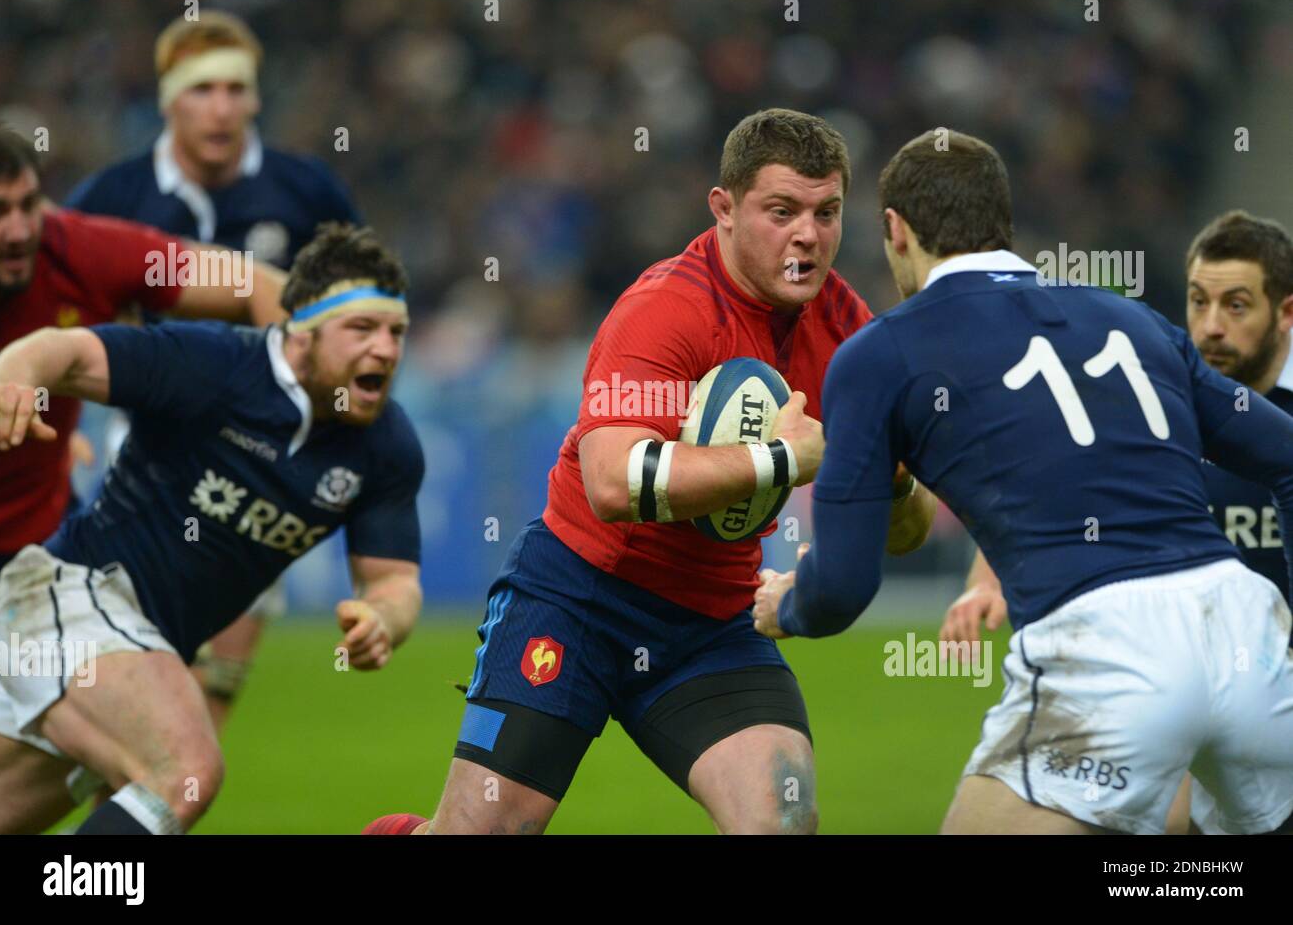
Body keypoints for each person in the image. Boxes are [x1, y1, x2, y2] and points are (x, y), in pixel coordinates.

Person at [369, 108, 935, 836]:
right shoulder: (664, 309)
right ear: (724, 210)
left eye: (827, 213)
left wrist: (891, 479)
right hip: (577, 596)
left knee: (782, 821)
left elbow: (908, 534)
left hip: (711, 623)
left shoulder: (847, 334)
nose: (808, 235)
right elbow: (611, 483)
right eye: (782, 210)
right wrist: (781, 458)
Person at [752, 129, 1293, 835]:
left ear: (894, 230)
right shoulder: (1136, 321)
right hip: (1247, 629)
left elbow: (845, 589)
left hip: (1105, 649)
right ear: (1001, 222)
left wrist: (789, 604)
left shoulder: (879, 353)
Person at [0, 223, 424, 834]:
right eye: (362, 329)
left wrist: (384, 619)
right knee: (184, 770)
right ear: (301, 328)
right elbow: (61, 352)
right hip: (69, 600)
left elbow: (395, 582)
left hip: (138, 647)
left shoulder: (386, 446)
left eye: (397, 332)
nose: (385, 349)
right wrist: (14, 381)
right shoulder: (213, 364)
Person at [941, 208, 1293, 834]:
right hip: (1183, 671)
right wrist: (984, 579)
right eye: (1197, 301)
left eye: (1236, 306)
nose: (1211, 326)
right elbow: (1057, 484)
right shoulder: (1156, 399)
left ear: (1285, 312)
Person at [65, 9, 363, 727]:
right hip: (145, 455)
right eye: (204, 90)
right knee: (128, 673)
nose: (222, 107)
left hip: (261, 458)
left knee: (212, 687)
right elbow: (55, 306)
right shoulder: (117, 196)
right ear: (169, 98)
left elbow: (363, 297)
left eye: (237, 89)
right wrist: (55, 417)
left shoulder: (303, 191)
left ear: (258, 97)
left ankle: (142, 811)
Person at [0, 124, 284, 591]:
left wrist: (289, 416)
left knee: (138, 660)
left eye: (29, 205)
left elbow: (256, 285)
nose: (20, 230)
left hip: (41, 549)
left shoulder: (83, 252)